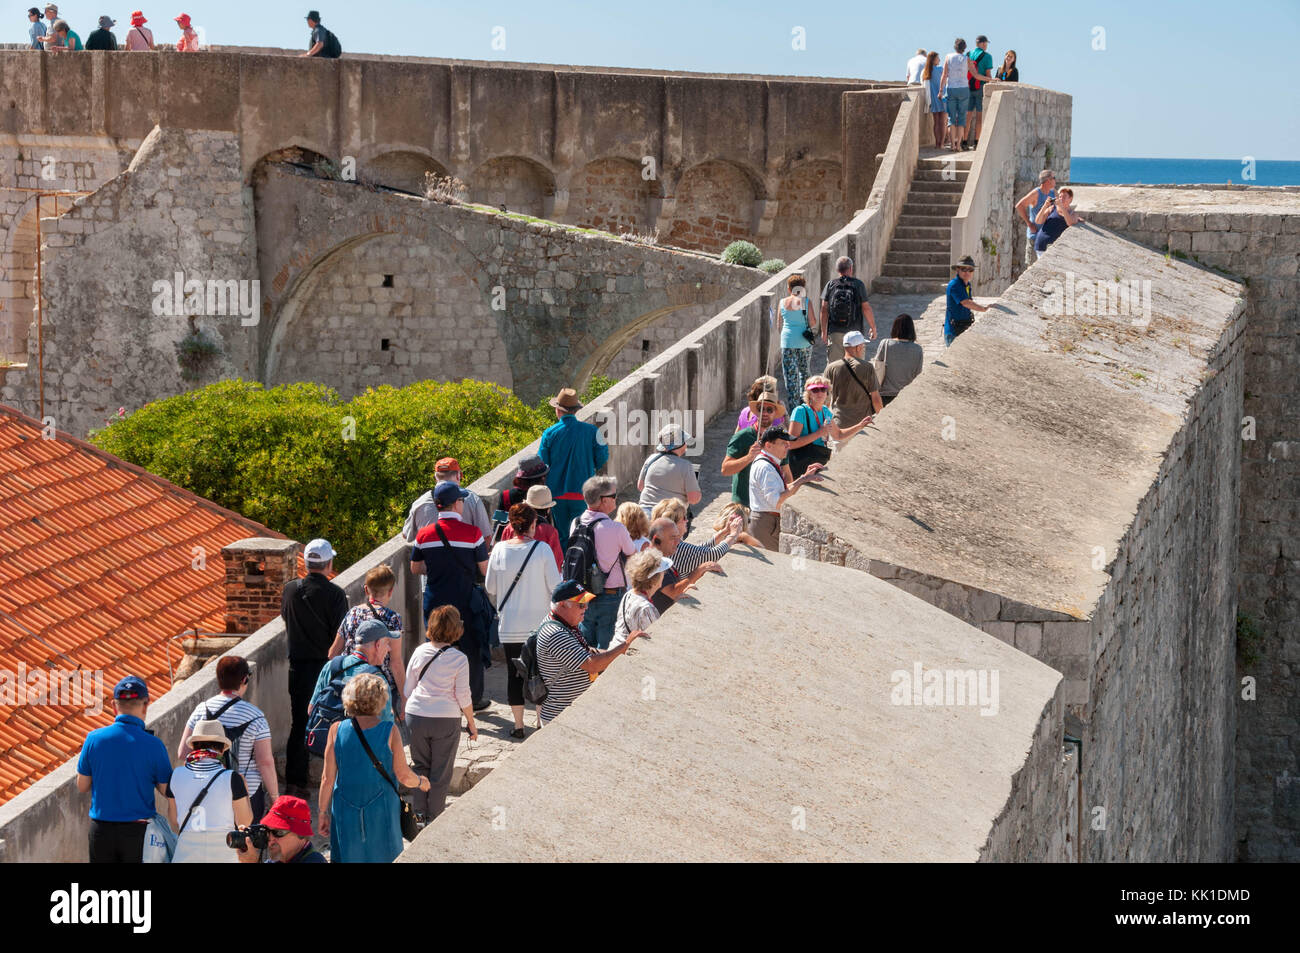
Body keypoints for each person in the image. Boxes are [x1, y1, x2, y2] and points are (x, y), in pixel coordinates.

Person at [320, 674, 427, 862]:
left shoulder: (336, 730)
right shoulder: (389, 730)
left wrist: (322, 812)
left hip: (345, 807)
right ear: (381, 700)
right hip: (381, 808)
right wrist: (421, 782)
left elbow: (327, 779)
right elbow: (403, 775)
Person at [410, 481, 490, 709]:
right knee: (471, 647)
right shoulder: (473, 534)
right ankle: (474, 699)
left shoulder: (424, 535)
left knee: (434, 647)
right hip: (465, 600)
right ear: (455, 504)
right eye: (461, 500)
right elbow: (484, 569)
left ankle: (434, 695)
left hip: (435, 599)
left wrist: (437, 567)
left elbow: (415, 568)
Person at [76, 676, 173, 864]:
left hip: (101, 831)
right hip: (138, 833)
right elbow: (166, 789)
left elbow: (82, 785)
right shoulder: (153, 745)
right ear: (145, 705)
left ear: (114, 705)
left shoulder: (94, 739)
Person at [485, 504, 561, 736]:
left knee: (513, 674)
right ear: (533, 525)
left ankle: (518, 726)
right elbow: (555, 587)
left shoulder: (498, 550)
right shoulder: (543, 550)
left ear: (510, 525)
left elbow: (490, 587)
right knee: (541, 673)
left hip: (510, 624)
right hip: (539, 625)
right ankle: (540, 720)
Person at [281, 537, 348, 795]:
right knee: (333, 722)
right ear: (329, 563)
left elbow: (285, 616)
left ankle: (294, 783)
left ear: (306, 563)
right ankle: (331, 779)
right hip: (326, 669)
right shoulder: (335, 595)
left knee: (299, 724)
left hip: (297, 668)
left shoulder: (290, 589)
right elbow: (341, 635)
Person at [178, 656, 276, 819]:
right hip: (246, 793)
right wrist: (274, 798)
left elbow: (183, 753)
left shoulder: (201, 710)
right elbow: (264, 761)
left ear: (218, 679)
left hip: (207, 791)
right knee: (246, 842)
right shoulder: (256, 717)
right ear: (244, 679)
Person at [535, 581, 646, 725]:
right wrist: (625, 646)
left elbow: (588, 652)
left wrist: (621, 653)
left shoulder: (564, 623)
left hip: (569, 712)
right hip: (561, 715)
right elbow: (592, 665)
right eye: (581, 604)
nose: (586, 608)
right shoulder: (555, 633)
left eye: (586, 603)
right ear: (562, 604)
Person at [403, 607, 476, 821]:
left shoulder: (419, 651)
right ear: (456, 629)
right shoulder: (460, 659)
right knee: (441, 772)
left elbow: (408, 689)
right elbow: (463, 695)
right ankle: (433, 819)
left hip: (416, 714)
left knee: (419, 768)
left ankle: (418, 815)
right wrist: (471, 722)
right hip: (446, 717)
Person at [166, 720, 252, 863]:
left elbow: (174, 821)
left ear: (193, 747)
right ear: (222, 750)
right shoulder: (232, 778)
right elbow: (244, 821)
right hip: (224, 854)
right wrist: (245, 790)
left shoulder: (175, 775)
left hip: (185, 855)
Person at [328, 565, 405, 721]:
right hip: (379, 690)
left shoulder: (352, 614)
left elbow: (333, 653)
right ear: (390, 592)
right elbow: (395, 663)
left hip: (351, 686)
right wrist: (404, 698)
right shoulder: (392, 618)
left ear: (366, 589)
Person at [572, 474, 639, 650]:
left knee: (586, 646)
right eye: (613, 496)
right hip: (610, 594)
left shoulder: (576, 523)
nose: (616, 499)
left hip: (583, 594)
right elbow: (632, 556)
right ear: (603, 501)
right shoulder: (616, 528)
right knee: (608, 649)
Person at [539, 387, 608, 548]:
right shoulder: (592, 431)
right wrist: (590, 466)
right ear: (576, 410)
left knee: (563, 536)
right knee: (582, 534)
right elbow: (603, 455)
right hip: (582, 492)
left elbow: (543, 463)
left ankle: (565, 568)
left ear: (558, 410)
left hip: (557, 494)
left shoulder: (549, 433)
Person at [749, 426, 825, 550]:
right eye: (783, 443)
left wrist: (803, 477)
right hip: (766, 523)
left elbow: (782, 491)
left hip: (765, 521)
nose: (788, 446)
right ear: (768, 445)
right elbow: (777, 501)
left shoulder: (768, 463)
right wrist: (802, 480)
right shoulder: (765, 467)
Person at [311, 619, 396, 723]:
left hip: (327, 736)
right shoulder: (376, 679)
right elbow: (386, 726)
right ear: (377, 645)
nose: (389, 648)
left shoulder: (331, 666)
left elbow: (311, 709)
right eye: (387, 643)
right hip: (357, 738)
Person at [788, 374, 872, 476]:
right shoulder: (800, 411)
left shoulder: (825, 411)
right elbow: (791, 444)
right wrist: (819, 433)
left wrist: (860, 426)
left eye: (823, 389)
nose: (819, 393)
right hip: (801, 462)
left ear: (827, 393)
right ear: (809, 393)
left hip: (817, 460)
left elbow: (838, 435)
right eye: (815, 390)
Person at [723, 389, 792, 510]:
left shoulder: (780, 439)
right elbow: (725, 469)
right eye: (761, 409)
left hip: (769, 508)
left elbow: (786, 473)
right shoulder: (742, 436)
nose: (764, 413)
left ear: (775, 413)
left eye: (769, 409)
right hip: (744, 506)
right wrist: (748, 457)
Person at [402, 457, 492, 547]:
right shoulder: (472, 499)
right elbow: (486, 537)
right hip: (464, 558)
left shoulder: (419, 503)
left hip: (431, 559)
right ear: (458, 476)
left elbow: (406, 535)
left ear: (435, 477)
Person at [651, 497, 752, 574]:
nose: (687, 520)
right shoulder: (675, 546)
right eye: (684, 518)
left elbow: (698, 550)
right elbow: (712, 554)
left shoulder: (666, 542)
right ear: (673, 524)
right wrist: (733, 535)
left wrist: (725, 531)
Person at [645, 517, 723, 614]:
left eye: (678, 537)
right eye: (672, 538)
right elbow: (673, 592)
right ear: (657, 540)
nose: (678, 542)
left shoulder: (661, 556)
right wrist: (698, 571)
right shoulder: (653, 561)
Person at [234, 795, 328, 863]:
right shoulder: (279, 858)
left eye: (278, 832)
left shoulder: (314, 860)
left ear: (301, 834)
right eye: (267, 831)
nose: (270, 839)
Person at [820, 255, 877, 365]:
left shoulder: (831, 284)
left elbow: (824, 309)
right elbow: (866, 308)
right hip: (855, 332)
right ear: (851, 268)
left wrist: (824, 331)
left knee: (835, 368)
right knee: (857, 367)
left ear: (837, 270)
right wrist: (873, 327)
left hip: (835, 331)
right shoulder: (858, 284)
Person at [611, 550, 672, 648]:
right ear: (654, 580)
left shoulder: (629, 594)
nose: (665, 574)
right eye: (663, 572)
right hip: (624, 654)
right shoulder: (646, 608)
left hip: (615, 648)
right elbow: (656, 640)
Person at [826, 331, 882, 438]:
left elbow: (825, 400)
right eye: (863, 346)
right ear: (857, 347)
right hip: (863, 425)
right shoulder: (867, 367)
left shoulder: (831, 368)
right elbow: (875, 398)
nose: (863, 348)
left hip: (839, 425)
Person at [638, 424, 702, 516]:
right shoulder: (685, 466)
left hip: (644, 514)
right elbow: (693, 499)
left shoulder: (651, 459)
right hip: (669, 515)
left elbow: (641, 487)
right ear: (681, 445)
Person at [500, 484, 564, 567]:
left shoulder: (511, 527)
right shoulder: (550, 532)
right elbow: (557, 563)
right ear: (548, 509)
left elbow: (502, 557)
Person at [779, 274, 816, 407]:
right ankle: (805, 402)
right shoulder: (806, 302)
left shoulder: (782, 302)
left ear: (789, 289)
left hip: (787, 342)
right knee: (805, 372)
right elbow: (812, 322)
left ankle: (794, 408)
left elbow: (779, 325)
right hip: (804, 343)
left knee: (790, 377)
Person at [873, 315, 925, 406]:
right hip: (906, 396)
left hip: (885, 394)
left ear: (895, 328)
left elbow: (876, 368)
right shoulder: (918, 349)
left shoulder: (885, 344)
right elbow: (918, 374)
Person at [944, 256, 990, 346]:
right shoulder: (955, 285)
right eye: (964, 269)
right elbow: (966, 302)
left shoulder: (967, 284)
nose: (967, 272)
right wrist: (984, 309)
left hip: (963, 327)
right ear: (958, 270)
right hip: (954, 331)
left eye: (970, 270)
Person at [1015, 170, 1057, 263]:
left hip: (1047, 237)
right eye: (1054, 178)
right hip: (1035, 236)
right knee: (1032, 267)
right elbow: (1019, 206)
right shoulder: (1036, 193)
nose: (1055, 180)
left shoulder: (1053, 192)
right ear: (1048, 180)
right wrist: (1029, 224)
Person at [939, 39, 974, 151]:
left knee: (952, 119)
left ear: (955, 47)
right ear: (964, 48)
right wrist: (990, 79)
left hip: (951, 89)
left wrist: (940, 90)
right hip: (964, 89)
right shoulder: (967, 59)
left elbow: (944, 75)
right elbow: (975, 74)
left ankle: (952, 145)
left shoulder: (948, 57)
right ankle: (958, 145)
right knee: (962, 119)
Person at [1033, 186, 1086, 255]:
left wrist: (1062, 207)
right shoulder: (1052, 208)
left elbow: (1069, 222)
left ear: (1070, 199)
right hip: (1041, 245)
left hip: (1056, 249)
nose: (1061, 199)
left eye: (1064, 197)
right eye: (1060, 197)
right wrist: (1045, 206)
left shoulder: (1073, 214)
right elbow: (1038, 221)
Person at [967, 35, 995, 149]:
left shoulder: (968, 54)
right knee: (979, 117)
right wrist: (992, 81)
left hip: (968, 87)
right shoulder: (987, 56)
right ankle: (976, 142)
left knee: (967, 116)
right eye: (986, 43)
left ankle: (963, 141)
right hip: (980, 87)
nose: (986, 45)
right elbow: (988, 74)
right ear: (983, 44)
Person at [923, 52, 946, 149]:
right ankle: (942, 144)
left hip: (933, 98)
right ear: (933, 59)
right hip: (942, 97)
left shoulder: (926, 72)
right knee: (943, 122)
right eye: (938, 58)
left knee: (936, 122)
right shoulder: (940, 69)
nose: (939, 60)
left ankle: (937, 143)